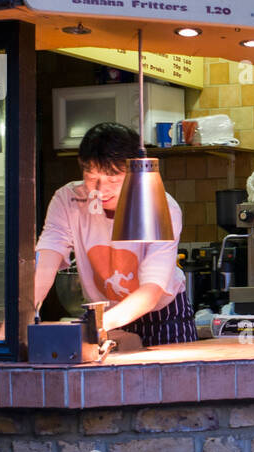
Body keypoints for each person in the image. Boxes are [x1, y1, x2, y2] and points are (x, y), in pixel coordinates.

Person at [34, 122, 197, 345]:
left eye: (114, 180)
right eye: (92, 179)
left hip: (162, 318)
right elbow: (46, 260)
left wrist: (96, 325)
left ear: (135, 172)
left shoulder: (161, 207)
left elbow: (151, 291)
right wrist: (26, 311)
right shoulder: (68, 200)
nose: (101, 191)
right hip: (103, 315)